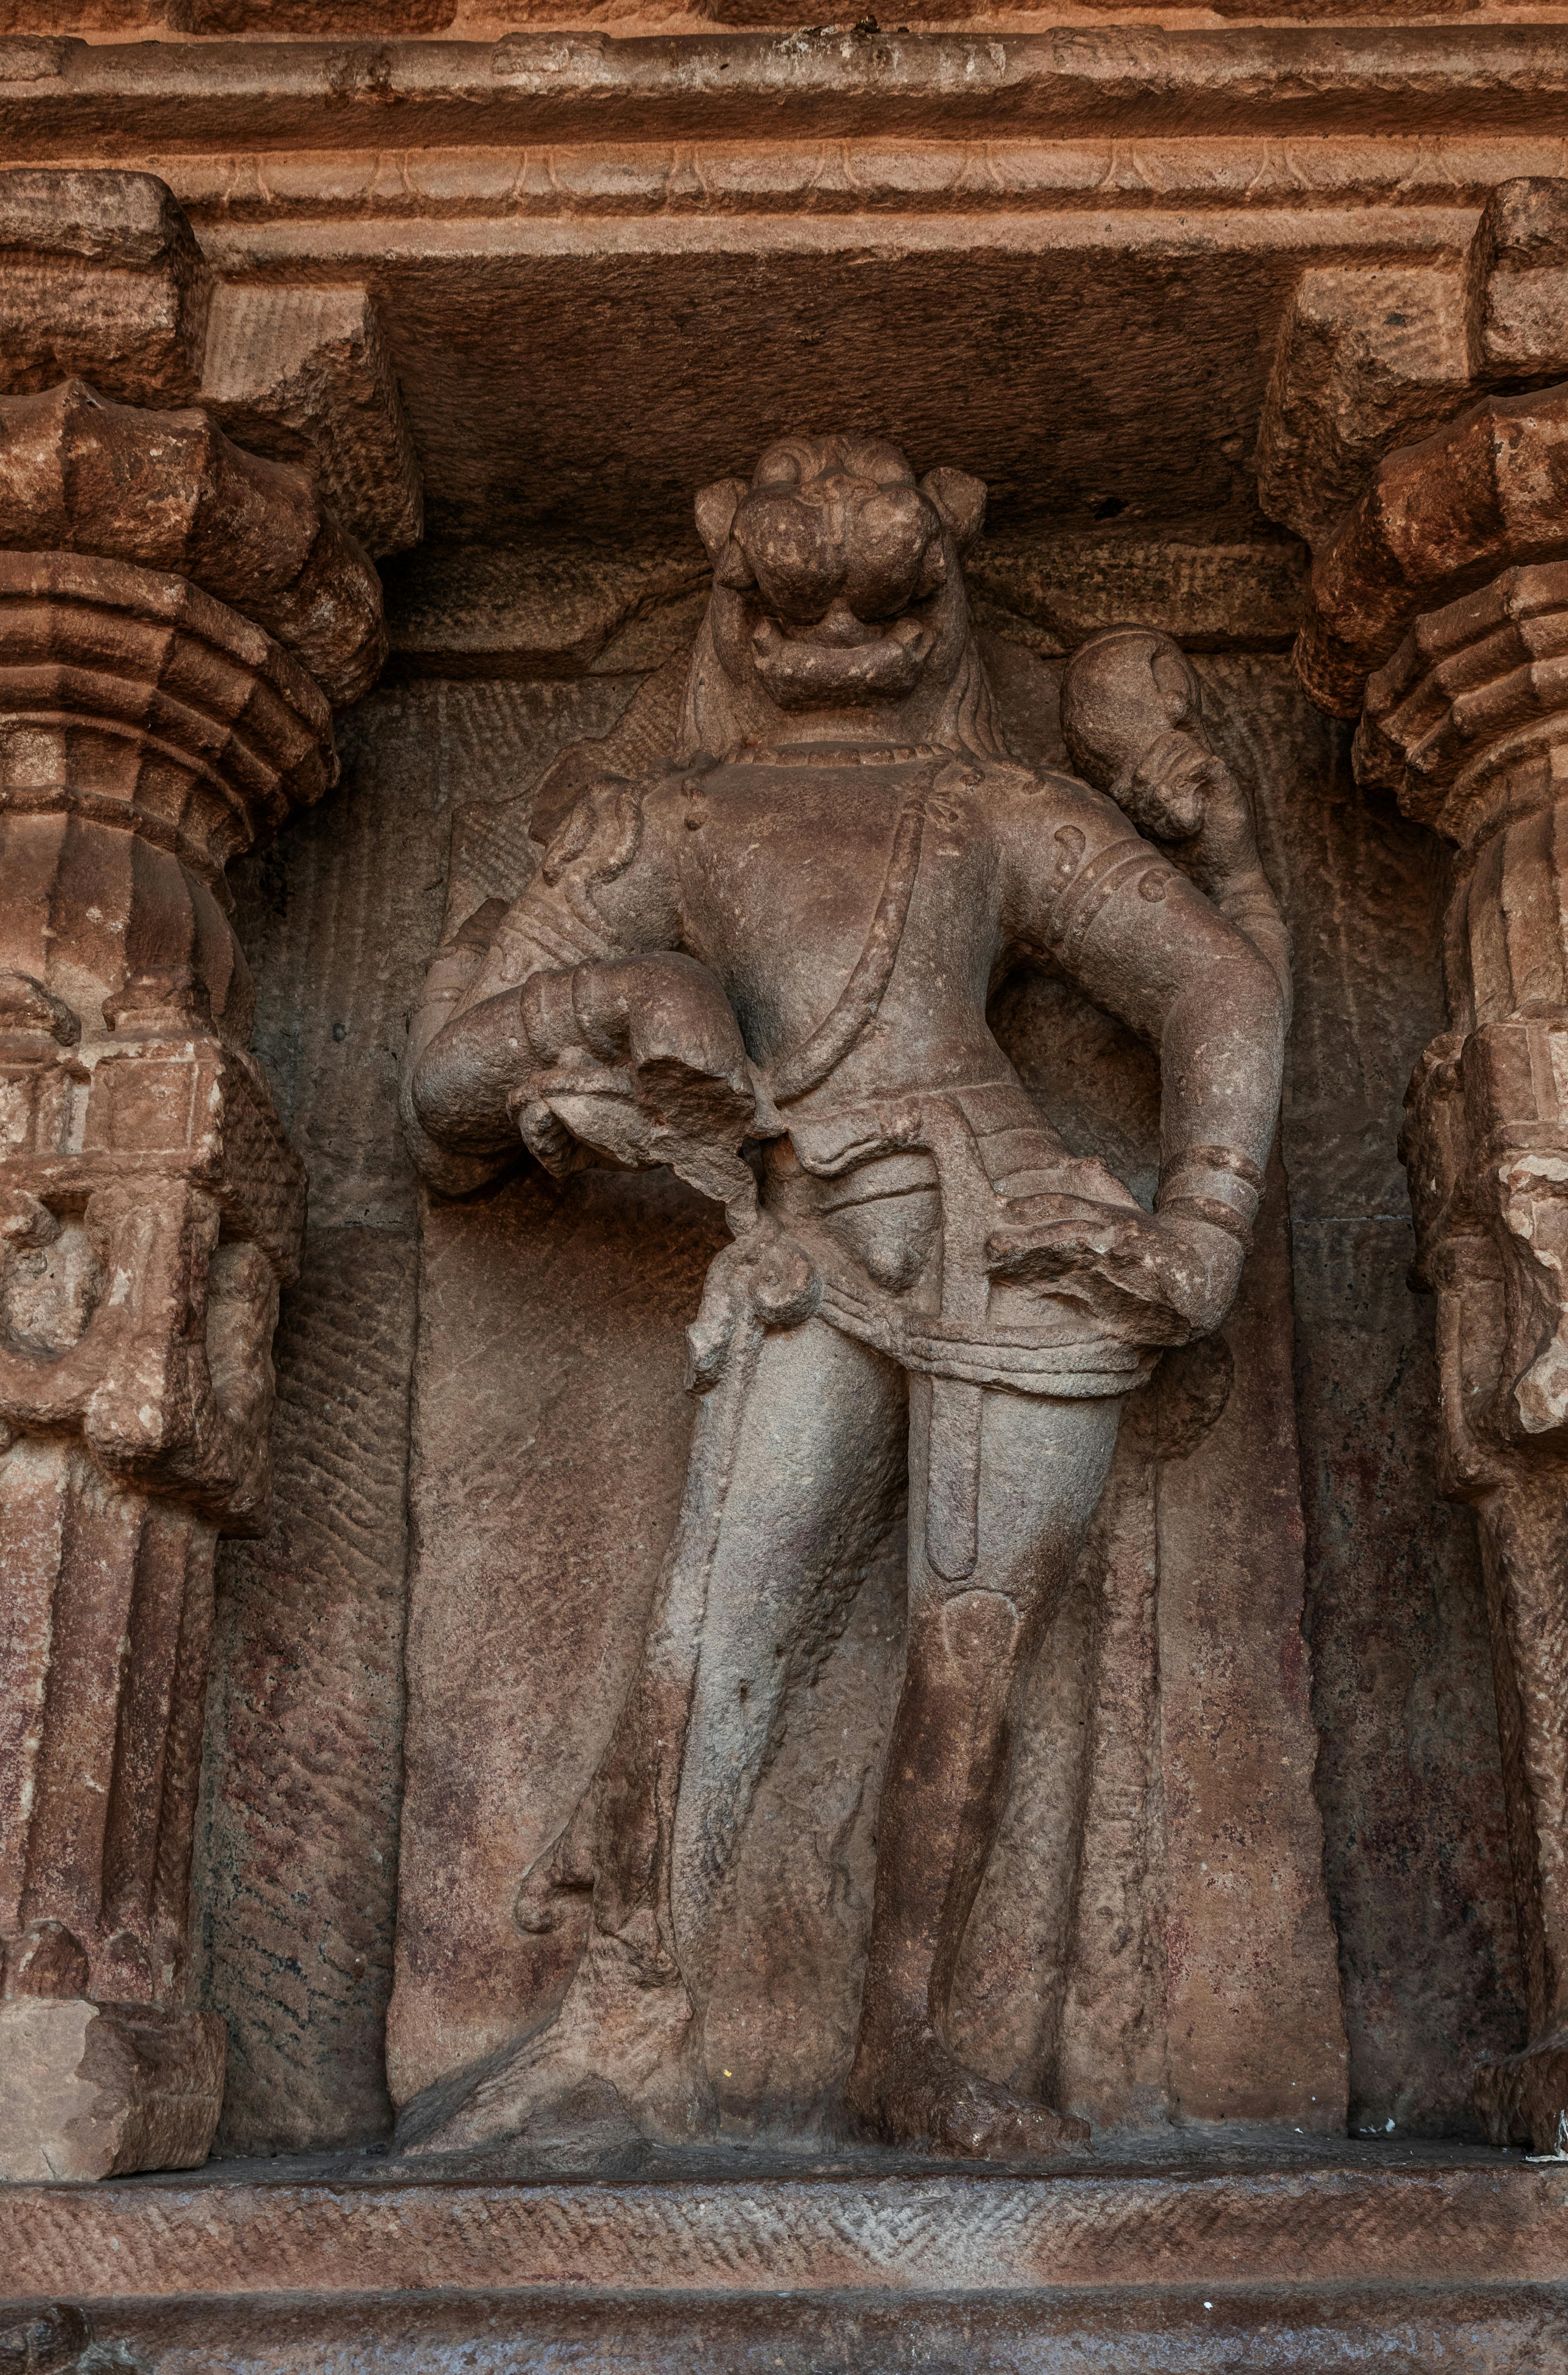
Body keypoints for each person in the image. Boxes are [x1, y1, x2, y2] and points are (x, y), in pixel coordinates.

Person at [399, 433, 1288, 2158]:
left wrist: (1207, 1225)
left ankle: (908, 2039)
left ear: (943, 597)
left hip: (1022, 1241)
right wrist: (613, 1000)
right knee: (711, 1621)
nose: (840, 628)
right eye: (795, 599)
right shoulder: (663, 822)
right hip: (813, 1253)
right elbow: (441, 1080)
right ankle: (620, 2028)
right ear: (731, 595)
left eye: (887, 597)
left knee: (971, 1661)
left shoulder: (996, 810)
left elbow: (1220, 996)